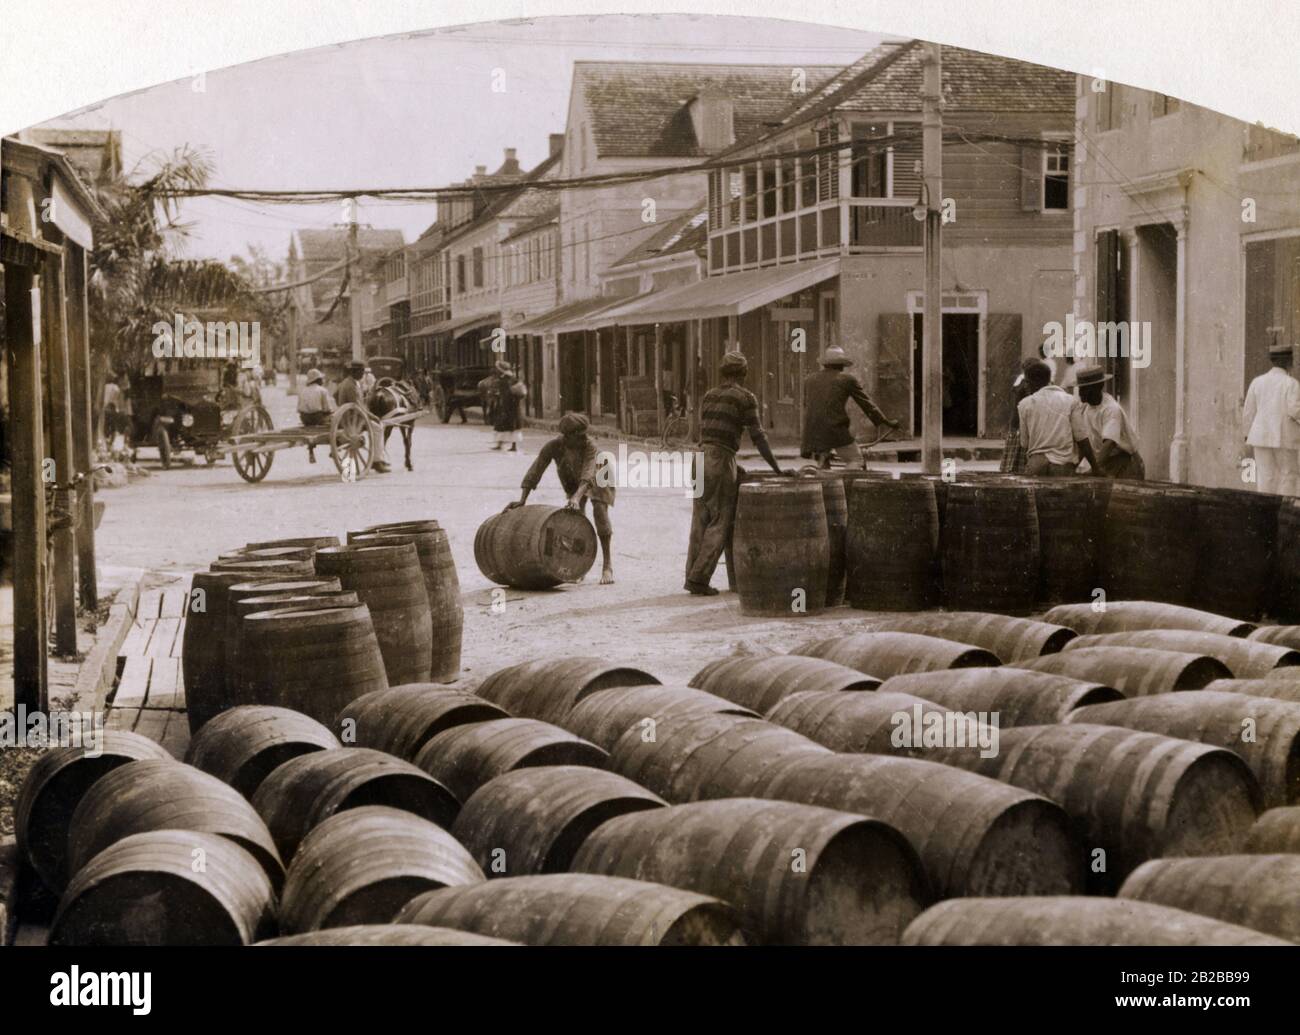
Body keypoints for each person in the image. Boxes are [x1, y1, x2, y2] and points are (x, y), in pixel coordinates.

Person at [686, 350, 790, 597]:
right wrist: (777, 469)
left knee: (700, 517)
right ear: (744, 374)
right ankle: (699, 580)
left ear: (723, 373)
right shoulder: (745, 398)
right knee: (720, 520)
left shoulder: (710, 396)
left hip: (699, 457)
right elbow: (759, 438)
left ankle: (691, 574)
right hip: (719, 458)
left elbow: (707, 434)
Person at [509, 411, 615, 584]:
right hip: (574, 478)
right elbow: (535, 470)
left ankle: (607, 566)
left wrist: (575, 497)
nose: (583, 439)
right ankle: (580, 566)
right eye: (578, 436)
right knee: (577, 520)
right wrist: (523, 499)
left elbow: (589, 473)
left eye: (584, 435)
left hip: (600, 473)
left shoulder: (590, 446)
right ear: (567, 436)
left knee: (600, 513)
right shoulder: (554, 446)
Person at [801, 346, 898, 468]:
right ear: (841, 364)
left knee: (823, 464)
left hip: (812, 430)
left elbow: (807, 405)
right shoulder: (847, 379)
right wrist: (885, 421)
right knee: (856, 460)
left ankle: (825, 476)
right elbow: (865, 403)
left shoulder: (809, 379)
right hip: (834, 428)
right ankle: (846, 485)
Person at [1243, 341, 1300, 495]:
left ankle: (1266, 514)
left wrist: (1247, 435)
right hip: (1285, 438)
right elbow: (1295, 411)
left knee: (1265, 478)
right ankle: (1284, 514)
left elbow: (1248, 412)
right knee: (1288, 475)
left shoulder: (1257, 382)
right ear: (1288, 362)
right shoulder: (1291, 384)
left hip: (1260, 438)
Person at [1070, 365, 1145, 479]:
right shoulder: (1085, 409)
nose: (1080, 393)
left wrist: (1094, 468)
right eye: (1080, 388)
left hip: (1126, 463)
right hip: (1106, 462)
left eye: (1084, 389)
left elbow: (1109, 443)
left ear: (1096, 388)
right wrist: (1073, 468)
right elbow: (1084, 444)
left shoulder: (1111, 409)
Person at [1018, 360, 1077, 476]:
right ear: (1048, 379)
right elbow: (1081, 437)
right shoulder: (1070, 400)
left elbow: (1024, 443)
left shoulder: (1024, 404)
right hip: (1063, 463)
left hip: (1036, 464)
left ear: (1030, 382)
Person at [337, 360, 390, 473]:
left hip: (351, 416)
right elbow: (359, 407)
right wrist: (373, 416)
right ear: (355, 372)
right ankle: (377, 461)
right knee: (377, 428)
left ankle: (379, 458)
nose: (363, 375)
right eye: (361, 372)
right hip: (352, 419)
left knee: (377, 426)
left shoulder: (349, 382)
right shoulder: (351, 386)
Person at [1001, 356, 1043, 473]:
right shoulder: (1027, 385)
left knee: (1016, 452)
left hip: (1019, 422)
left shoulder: (1021, 383)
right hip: (1023, 423)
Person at [297, 367, 335, 464]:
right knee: (335, 420)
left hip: (304, 419)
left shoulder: (303, 390)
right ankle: (334, 448)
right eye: (321, 379)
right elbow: (327, 409)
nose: (322, 380)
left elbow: (298, 408)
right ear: (318, 380)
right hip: (317, 418)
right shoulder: (322, 390)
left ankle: (311, 451)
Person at [491, 360, 523, 452]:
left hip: (508, 405)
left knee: (506, 425)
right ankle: (505, 444)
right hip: (513, 405)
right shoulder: (512, 377)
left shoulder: (505, 379)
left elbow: (506, 393)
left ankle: (505, 445)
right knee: (510, 425)